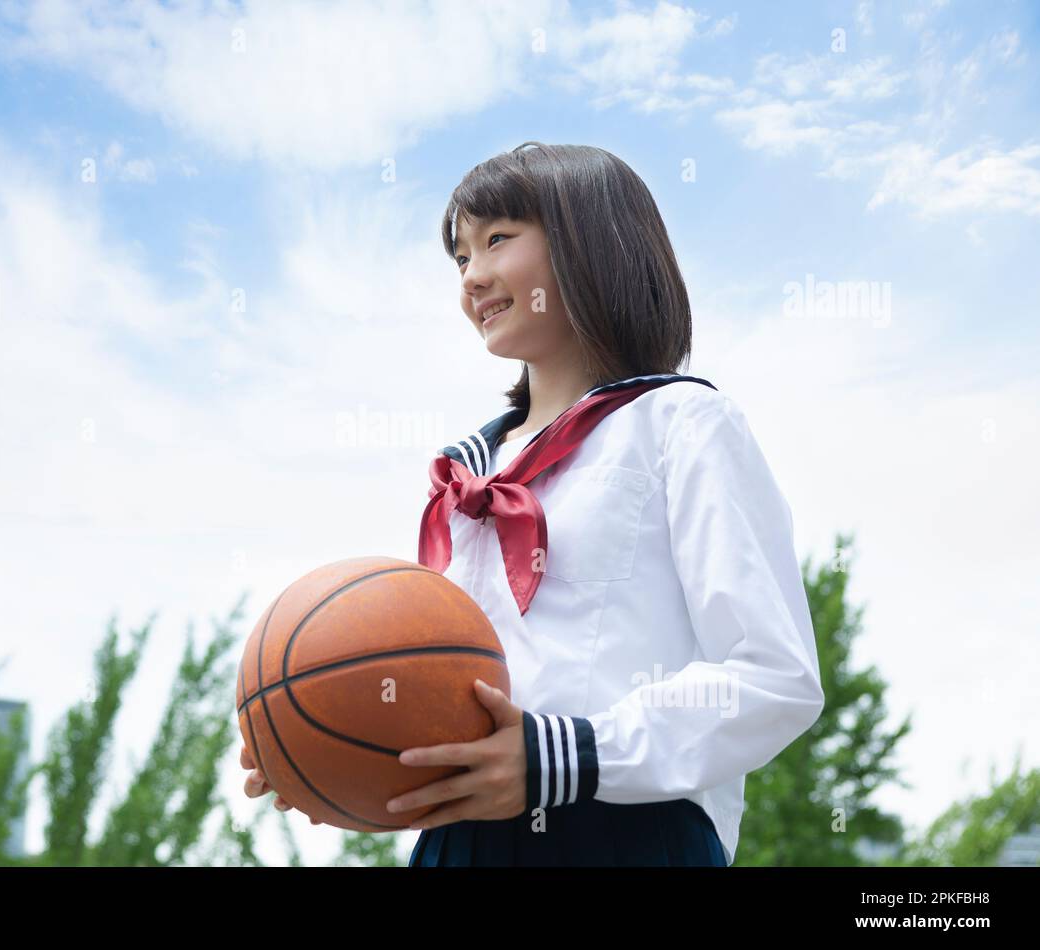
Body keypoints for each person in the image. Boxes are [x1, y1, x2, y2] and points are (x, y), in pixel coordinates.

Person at [244, 142, 825, 866]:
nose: (472, 276)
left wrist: (566, 756)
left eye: (496, 240)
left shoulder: (682, 424)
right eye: (459, 258)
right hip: (457, 845)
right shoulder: (463, 479)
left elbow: (776, 676)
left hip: (623, 832)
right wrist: (324, 741)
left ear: (593, 245)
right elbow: (442, 694)